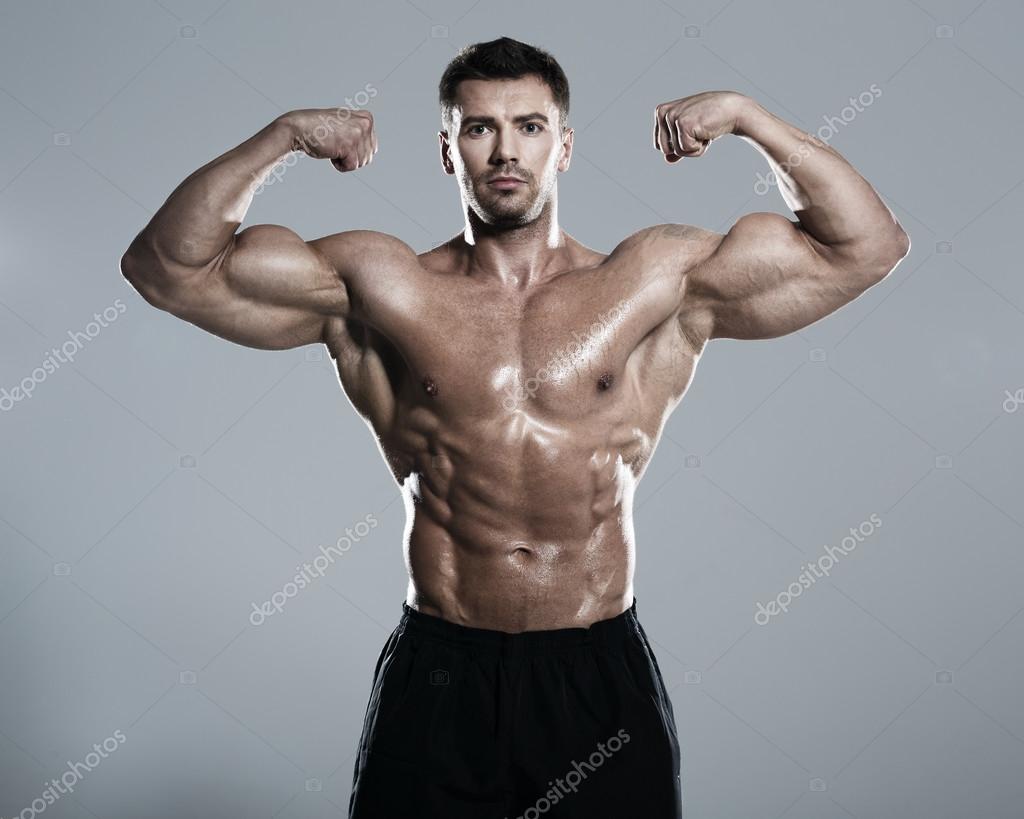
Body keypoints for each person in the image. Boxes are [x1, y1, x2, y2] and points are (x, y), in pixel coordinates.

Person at [119, 35, 909, 819]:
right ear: (446, 150)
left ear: (563, 147)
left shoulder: (654, 279)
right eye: (479, 128)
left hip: (597, 672)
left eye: (529, 127)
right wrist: (283, 136)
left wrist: (747, 115)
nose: (506, 151)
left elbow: (867, 245)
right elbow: (168, 267)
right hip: (440, 670)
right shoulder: (381, 284)